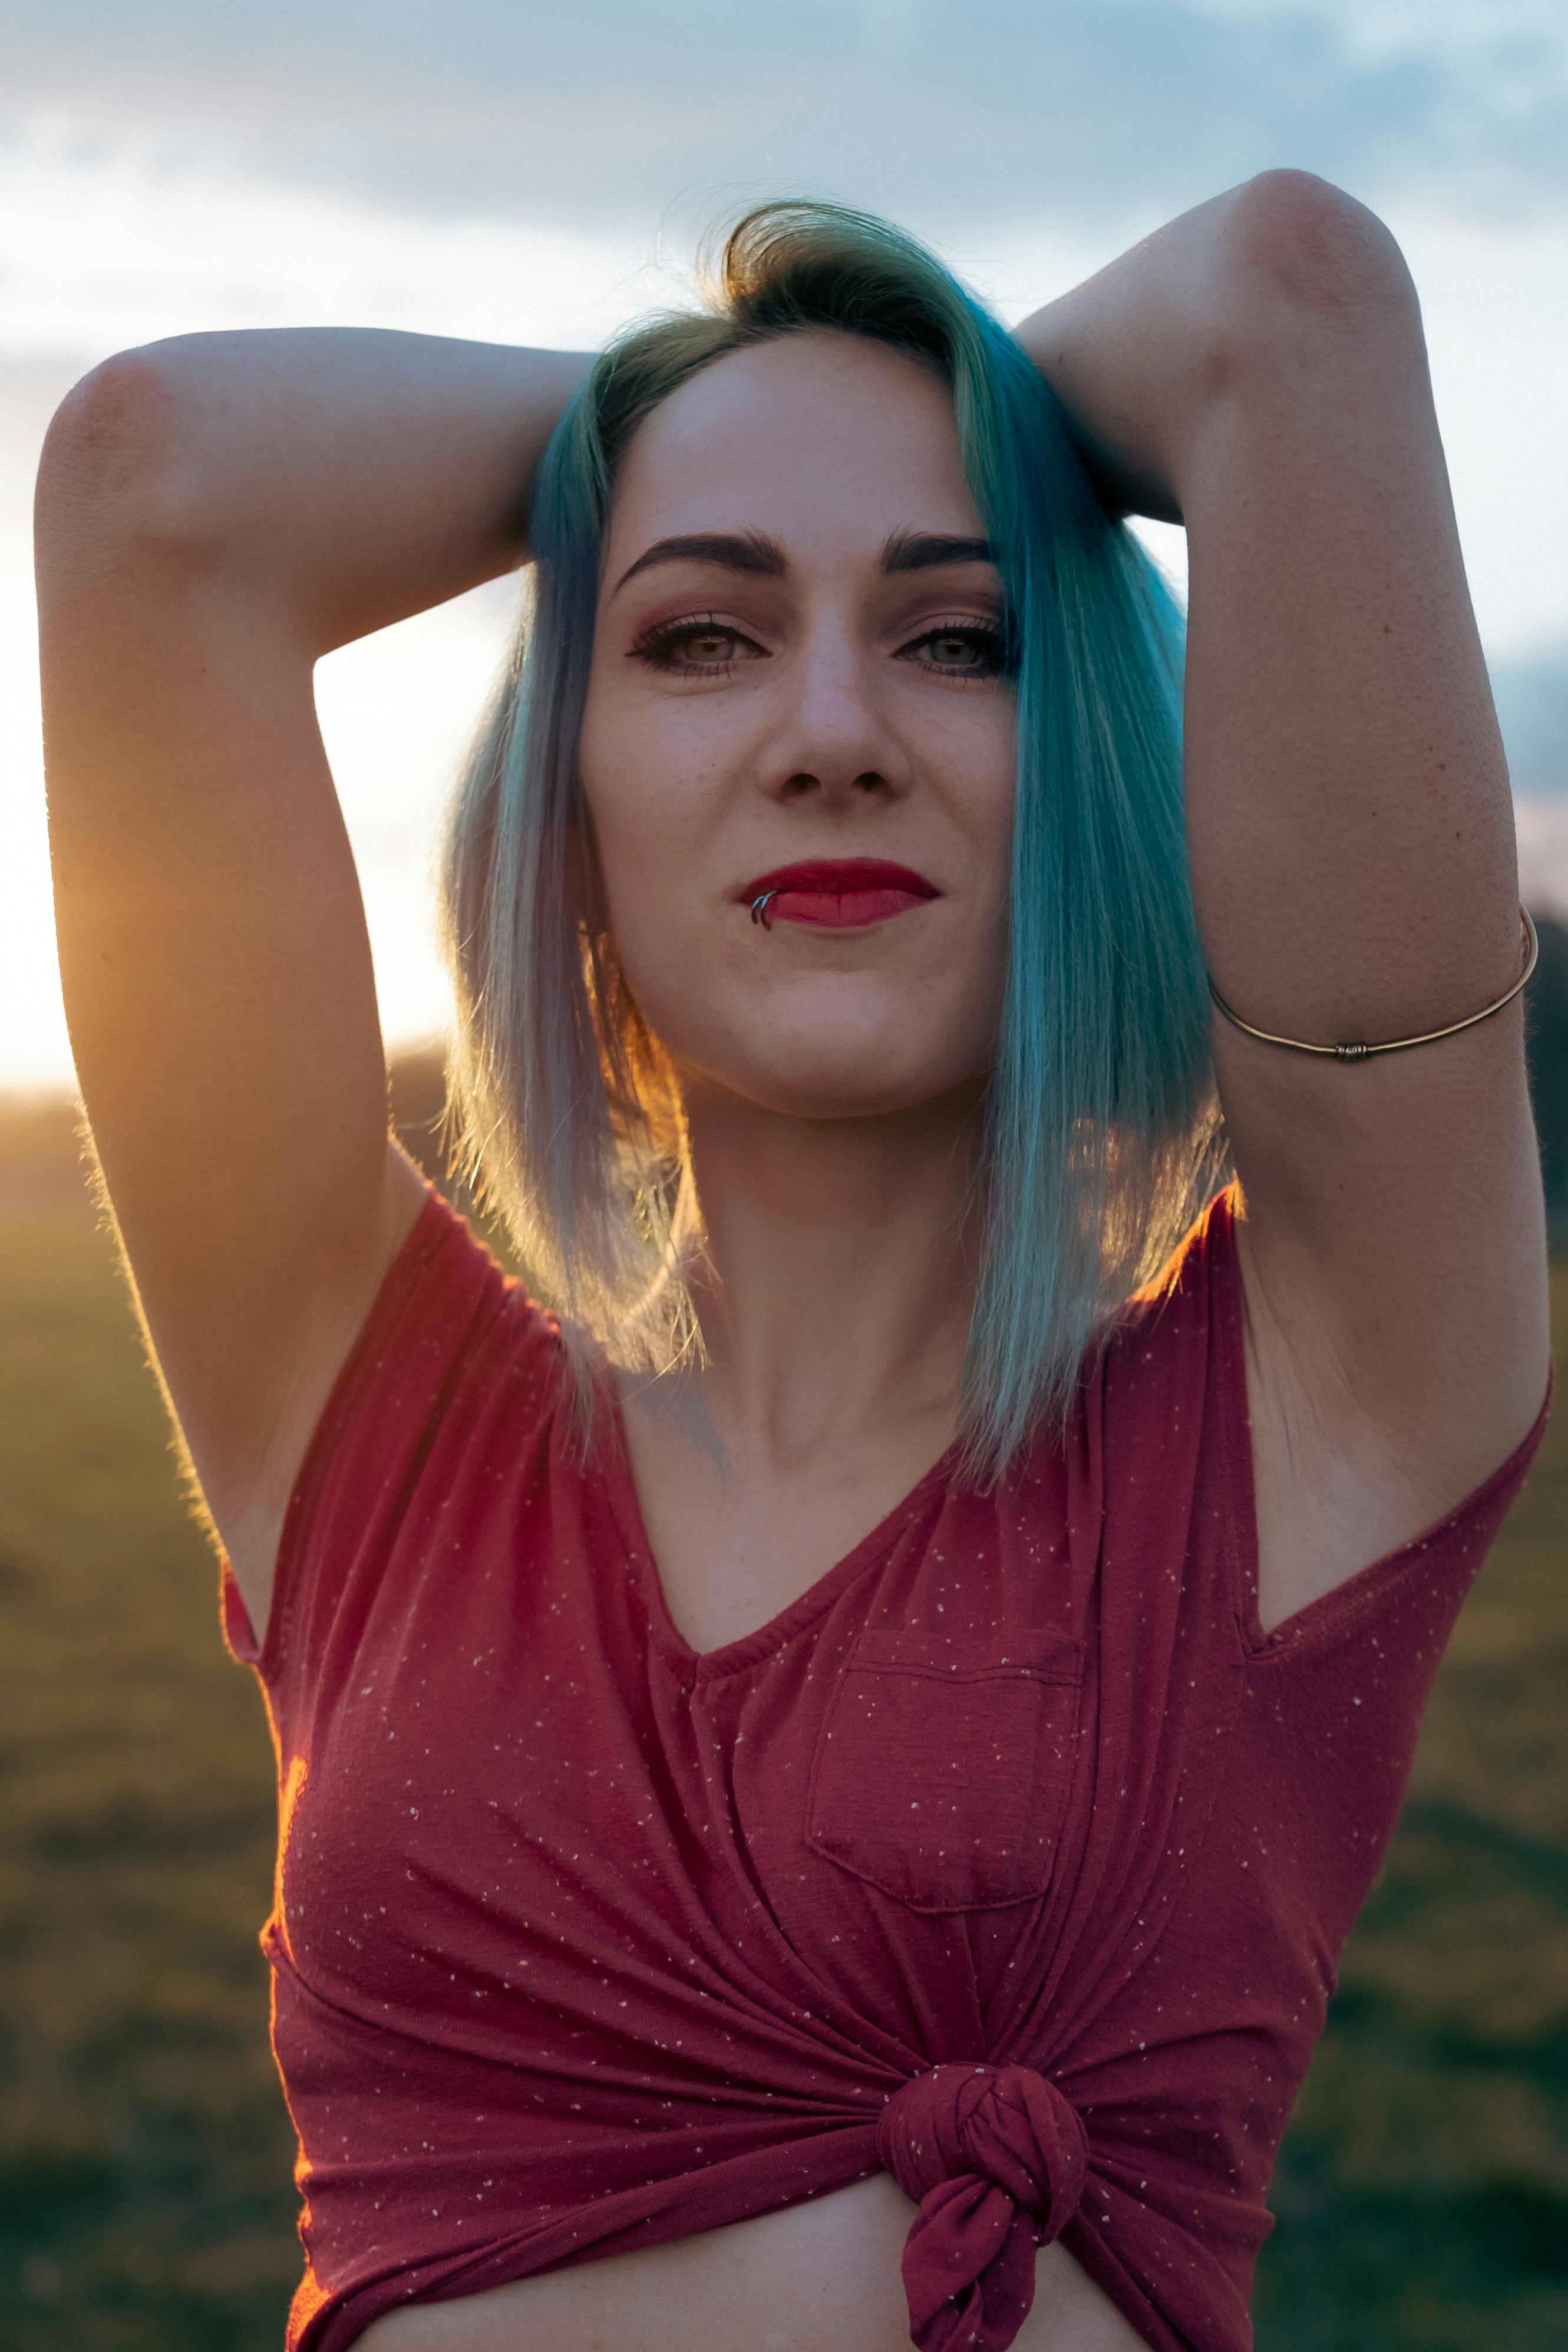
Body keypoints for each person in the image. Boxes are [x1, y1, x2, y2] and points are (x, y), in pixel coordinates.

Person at [36, 176, 1549, 2352]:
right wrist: (721, 403)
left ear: (1101, 779)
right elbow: (153, 481)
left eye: (961, 636)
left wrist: (782, 424)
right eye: (698, 634)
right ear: (571, 807)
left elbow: (1285, 305)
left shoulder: (1316, 1419)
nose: (832, 731)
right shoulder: (367, 1428)